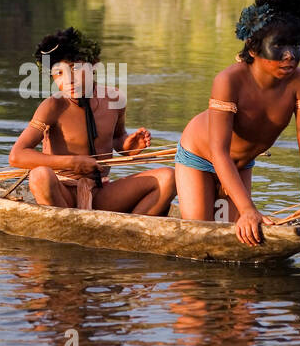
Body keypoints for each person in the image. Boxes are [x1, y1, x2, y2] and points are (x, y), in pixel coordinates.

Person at [176, 0, 300, 246]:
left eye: (296, 45)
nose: (289, 55)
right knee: (199, 236)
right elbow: (219, 152)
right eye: (279, 46)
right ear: (254, 49)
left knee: (241, 239)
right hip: (200, 157)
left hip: (241, 164)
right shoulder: (229, 80)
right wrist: (248, 209)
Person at [9, 27, 175, 214]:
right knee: (40, 175)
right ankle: (67, 226)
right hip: (62, 194)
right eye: (59, 73)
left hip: (101, 192)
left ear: (93, 65)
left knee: (169, 177)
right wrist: (72, 163)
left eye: (75, 69)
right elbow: (17, 155)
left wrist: (127, 146)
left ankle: (129, 234)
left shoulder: (114, 99)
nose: (69, 80)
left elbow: (116, 138)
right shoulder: (53, 106)